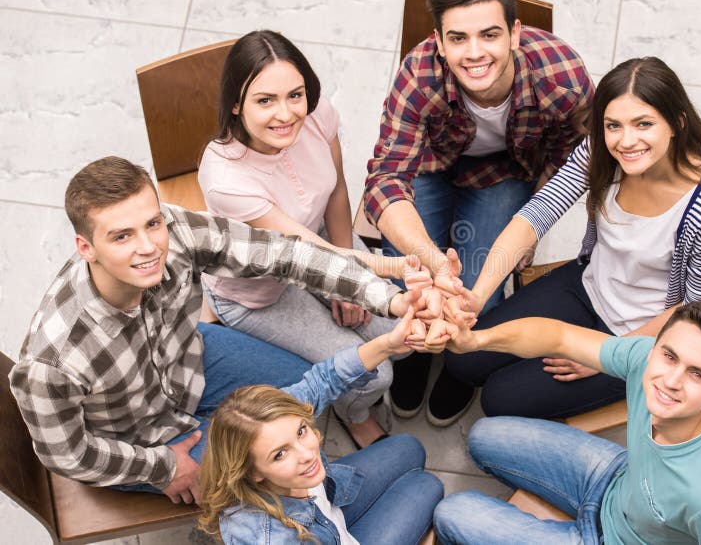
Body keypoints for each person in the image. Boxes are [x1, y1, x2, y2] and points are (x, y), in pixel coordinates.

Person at [9, 156, 419, 505]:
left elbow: (282, 255)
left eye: (152, 223)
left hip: (190, 362)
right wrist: (161, 468)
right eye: (122, 236)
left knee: (299, 391)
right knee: (266, 473)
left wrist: (388, 299)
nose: (149, 246)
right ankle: (335, 512)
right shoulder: (52, 361)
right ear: (86, 248)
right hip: (138, 438)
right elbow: (67, 455)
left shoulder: (174, 228)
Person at [437, 56, 701, 423]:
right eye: (613, 125)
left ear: (676, 123)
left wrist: (609, 356)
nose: (626, 141)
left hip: (641, 332)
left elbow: (696, 309)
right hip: (587, 284)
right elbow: (538, 213)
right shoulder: (602, 151)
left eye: (644, 124)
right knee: (460, 358)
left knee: (499, 400)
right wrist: (478, 295)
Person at [363, 0, 594, 423]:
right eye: (458, 39)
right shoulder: (419, 72)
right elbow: (387, 179)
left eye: (489, 35)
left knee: (479, 296)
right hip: (428, 167)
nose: (474, 54)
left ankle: (460, 366)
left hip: (507, 172)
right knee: (407, 279)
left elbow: (572, 164)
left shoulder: (564, 78)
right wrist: (428, 258)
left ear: (514, 32)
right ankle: (412, 352)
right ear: (439, 40)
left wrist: (529, 228)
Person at [198, 30, 410, 449]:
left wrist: (347, 279)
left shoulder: (316, 114)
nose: (287, 114)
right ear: (236, 105)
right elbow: (302, 252)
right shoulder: (225, 178)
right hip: (261, 293)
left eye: (295, 95)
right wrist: (355, 280)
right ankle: (355, 412)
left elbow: (336, 191)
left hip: (323, 247)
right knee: (375, 374)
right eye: (265, 101)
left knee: (400, 339)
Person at [426, 301, 701, 544]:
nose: (671, 380)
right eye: (669, 356)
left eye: (697, 374)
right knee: (483, 435)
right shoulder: (645, 357)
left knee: (451, 514)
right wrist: (475, 341)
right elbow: (558, 338)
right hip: (614, 476)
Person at [198, 306, 443, 544]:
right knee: (427, 486)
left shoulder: (277, 420)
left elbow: (324, 379)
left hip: (328, 510)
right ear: (252, 472)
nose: (308, 454)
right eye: (280, 454)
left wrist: (387, 344)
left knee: (409, 448)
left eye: (301, 431)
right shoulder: (271, 538)